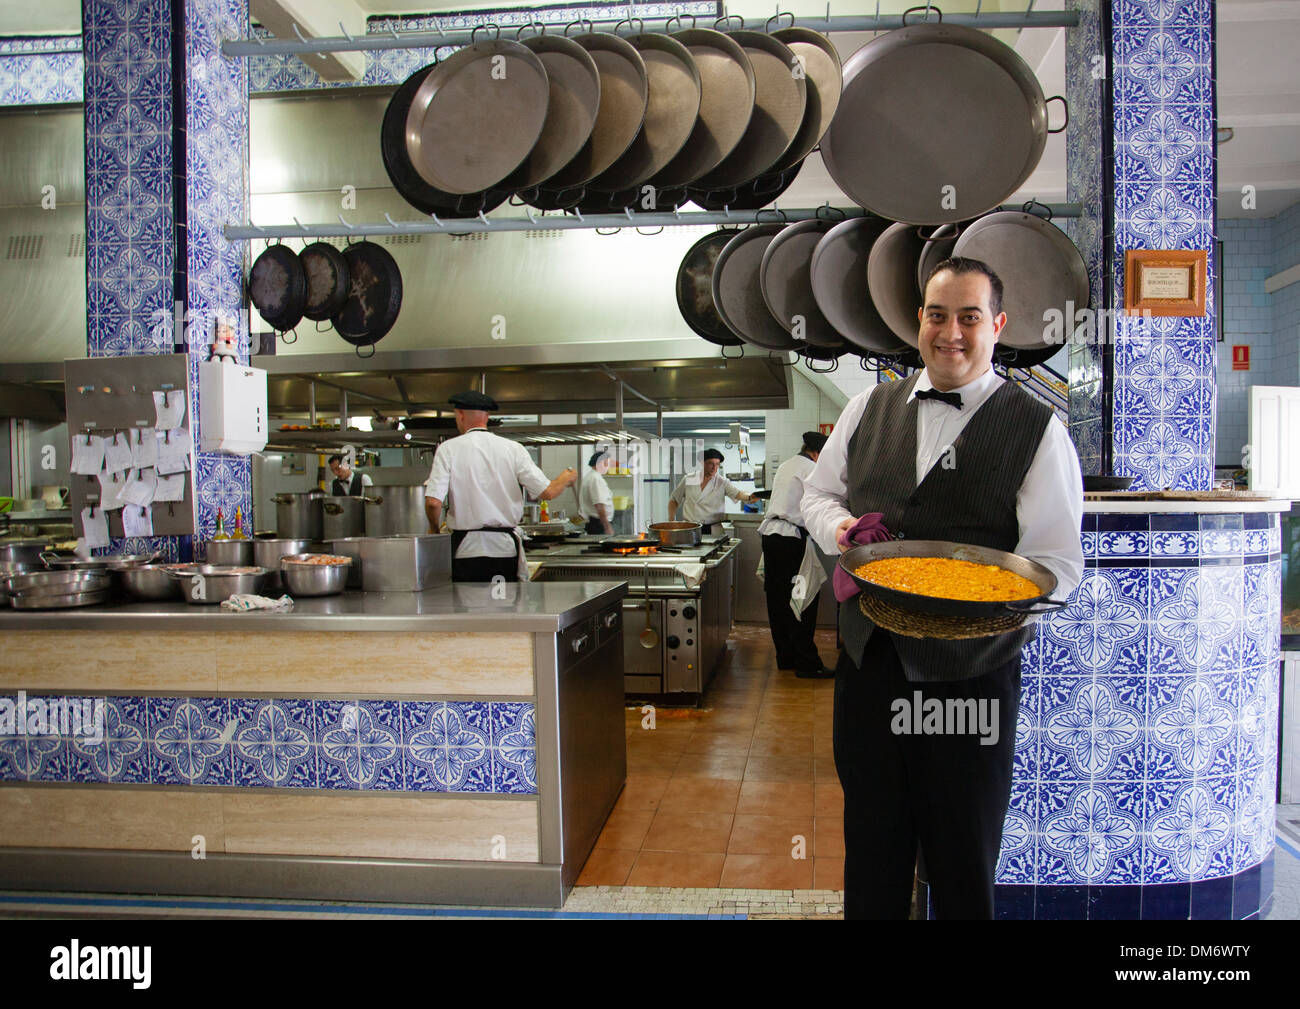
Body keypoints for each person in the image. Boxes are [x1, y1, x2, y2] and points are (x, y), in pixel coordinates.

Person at [801, 257, 1084, 920]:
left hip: (971, 683)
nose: (949, 331)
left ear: (998, 326)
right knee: (872, 854)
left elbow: (1057, 563)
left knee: (962, 860)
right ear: (919, 320)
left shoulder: (1038, 430)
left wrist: (986, 604)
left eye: (968, 316)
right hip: (871, 672)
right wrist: (843, 527)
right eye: (936, 314)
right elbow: (818, 494)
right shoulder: (868, 406)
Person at [423, 391, 579, 582]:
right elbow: (548, 492)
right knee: (503, 605)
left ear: (460, 414)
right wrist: (565, 478)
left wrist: (434, 529)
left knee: (466, 607)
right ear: (487, 417)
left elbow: (432, 503)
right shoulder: (513, 449)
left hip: (466, 550)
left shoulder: (449, 448)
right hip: (504, 550)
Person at [758, 431, 834, 679]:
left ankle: (785, 657)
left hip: (771, 537)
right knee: (804, 599)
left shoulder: (789, 464)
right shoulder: (811, 468)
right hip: (791, 540)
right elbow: (822, 504)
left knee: (778, 601)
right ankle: (807, 663)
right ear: (816, 453)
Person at [667, 448, 758, 533]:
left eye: (717, 464)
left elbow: (738, 494)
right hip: (690, 528)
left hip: (713, 529)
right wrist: (671, 520)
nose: (714, 467)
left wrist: (749, 497)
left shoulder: (722, 482)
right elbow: (674, 500)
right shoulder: (689, 479)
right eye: (711, 463)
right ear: (703, 463)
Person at [579, 449, 616, 535]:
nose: (608, 466)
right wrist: (607, 526)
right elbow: (599, 504)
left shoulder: (590, 476)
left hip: (596, 522)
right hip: (598, 524)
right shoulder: (595, 479)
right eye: (606, 463)